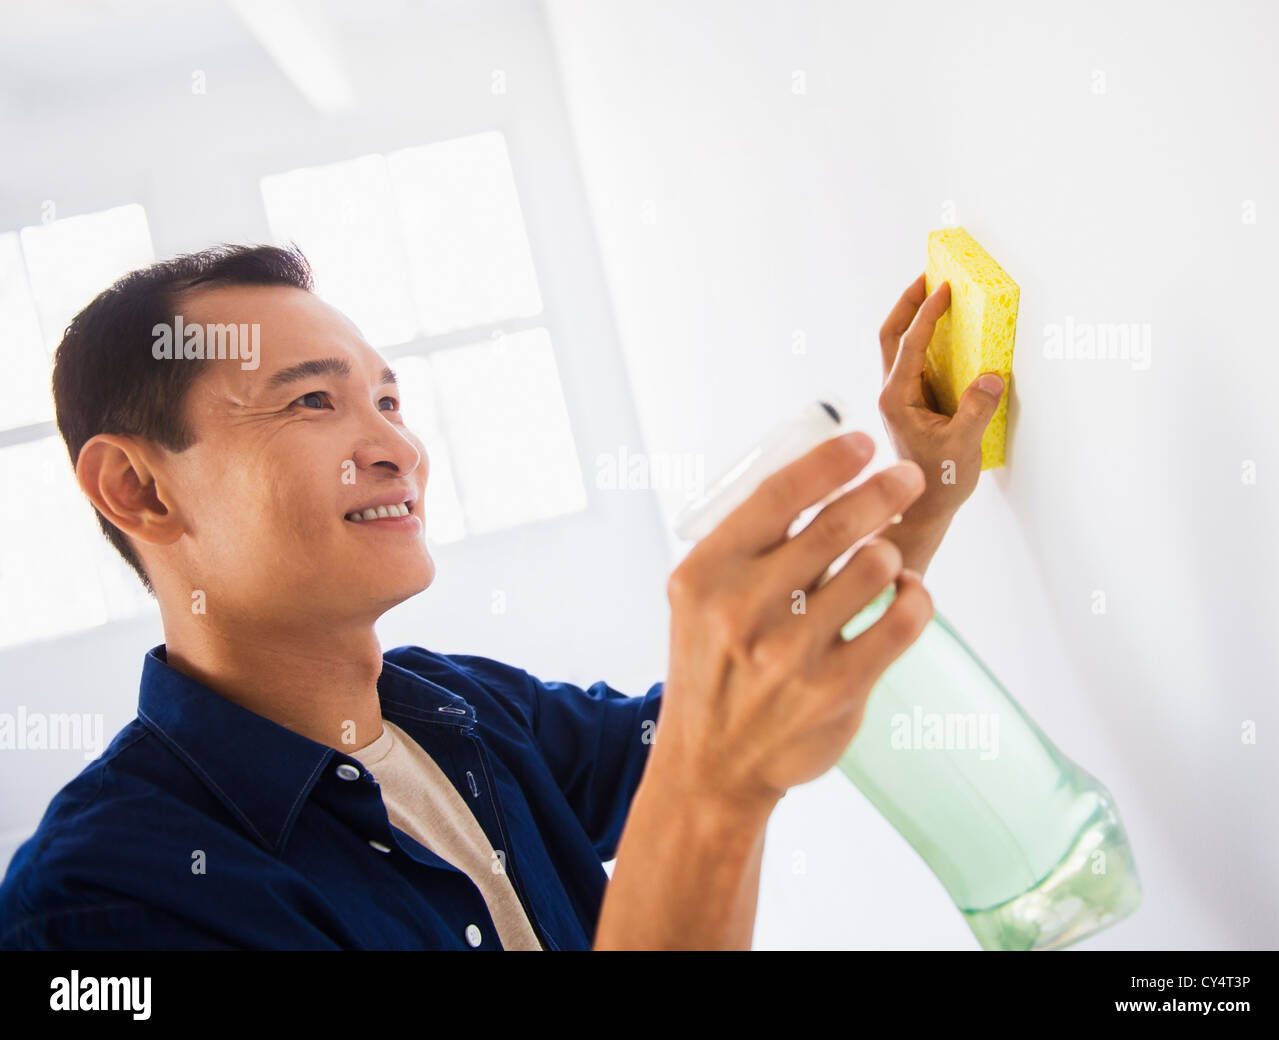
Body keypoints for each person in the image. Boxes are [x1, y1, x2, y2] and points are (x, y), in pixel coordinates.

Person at [0, 246, 1004, 949]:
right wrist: (717, 793)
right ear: (139, 487)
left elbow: (713, 716)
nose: (398, 447)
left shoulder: (462, 711)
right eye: (312, 400)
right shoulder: (95, 905)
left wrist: (918, 490)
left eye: (388, 400)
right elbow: (706, 754)